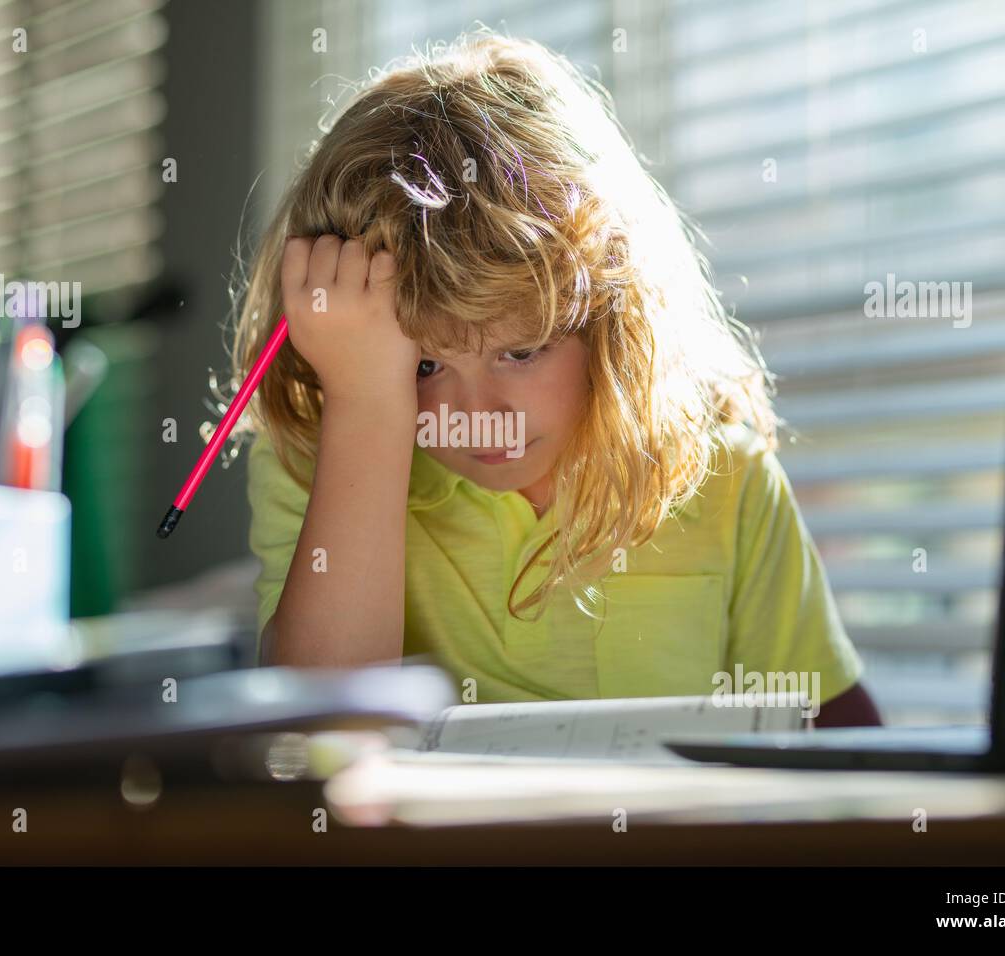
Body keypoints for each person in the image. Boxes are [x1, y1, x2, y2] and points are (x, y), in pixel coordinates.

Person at [232, 30, 881, 726]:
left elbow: (838, 734)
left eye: (521, 352)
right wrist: (365, 408)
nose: (479, 413)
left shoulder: (725, 477)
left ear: (611, 317)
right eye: (422, 366)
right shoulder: (314, 455)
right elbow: (324, 734)